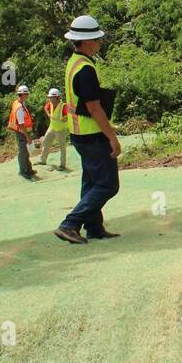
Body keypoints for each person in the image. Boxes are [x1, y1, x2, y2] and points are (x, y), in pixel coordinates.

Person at [53, 15, 122, 245]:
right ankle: (70, 223)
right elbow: (94, 107)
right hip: (92, 134)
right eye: (97, 39)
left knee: (92, 182)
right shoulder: (85, 69)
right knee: (108, 184)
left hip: (79, 133)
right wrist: (112, 137)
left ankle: (94, 227)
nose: (100, 43)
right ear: (88, 41)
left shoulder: (74, 62)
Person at [7, 85, 38, 180]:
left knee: (26, 151)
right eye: (26, 94)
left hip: (22, 131)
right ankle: (23, 171)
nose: (28, 95)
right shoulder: (19, 107)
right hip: (22, 132)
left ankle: (28, 169)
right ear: (23, 94)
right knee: (23, 152)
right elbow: (21, 124)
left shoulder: (19, 103)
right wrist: (27, 136)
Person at [39, 87, 69, 171]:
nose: (50, 99)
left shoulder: (64, 106)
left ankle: (62, 165)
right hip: (52, 128)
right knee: (45, 142)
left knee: (62, 147)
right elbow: (45, 108)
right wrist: (48, 114)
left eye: (51, 98)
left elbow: (69, 114)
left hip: (61, 130)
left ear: (56, 97)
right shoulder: (50, 104)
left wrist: (66, 118)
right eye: (49, 98)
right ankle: (42, 160)